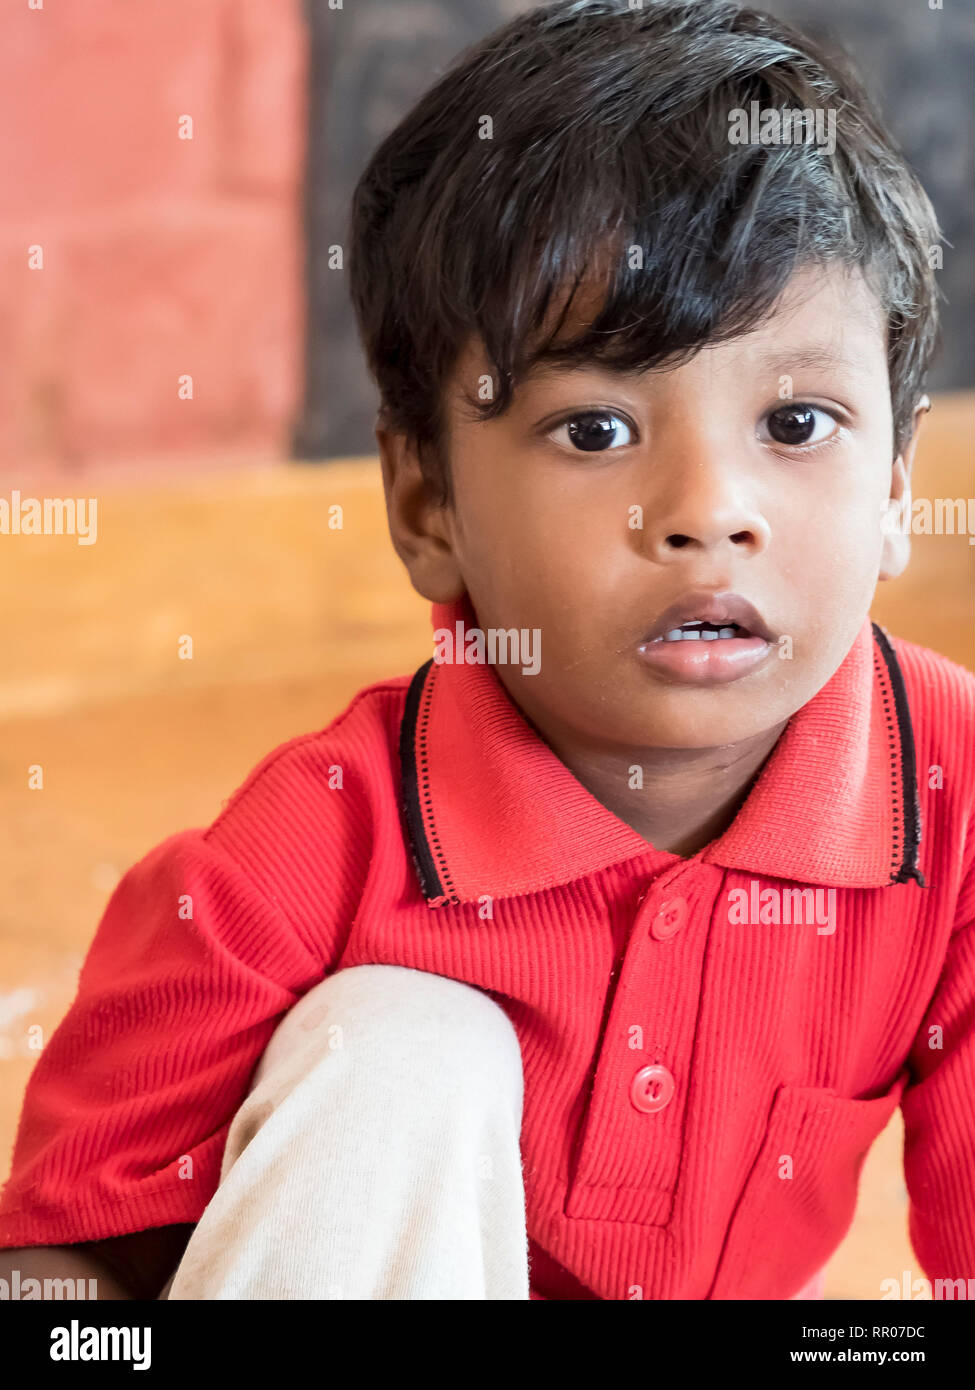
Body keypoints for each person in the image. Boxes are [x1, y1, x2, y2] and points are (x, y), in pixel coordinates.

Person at [2, 0, 971, 1301]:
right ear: (427, 508)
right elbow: (51, 1279)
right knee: (406, 1040)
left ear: (901, 489)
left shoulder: (952, 807)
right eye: (595, 433)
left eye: (797, 420)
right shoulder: (303, 857)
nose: (707, 511)